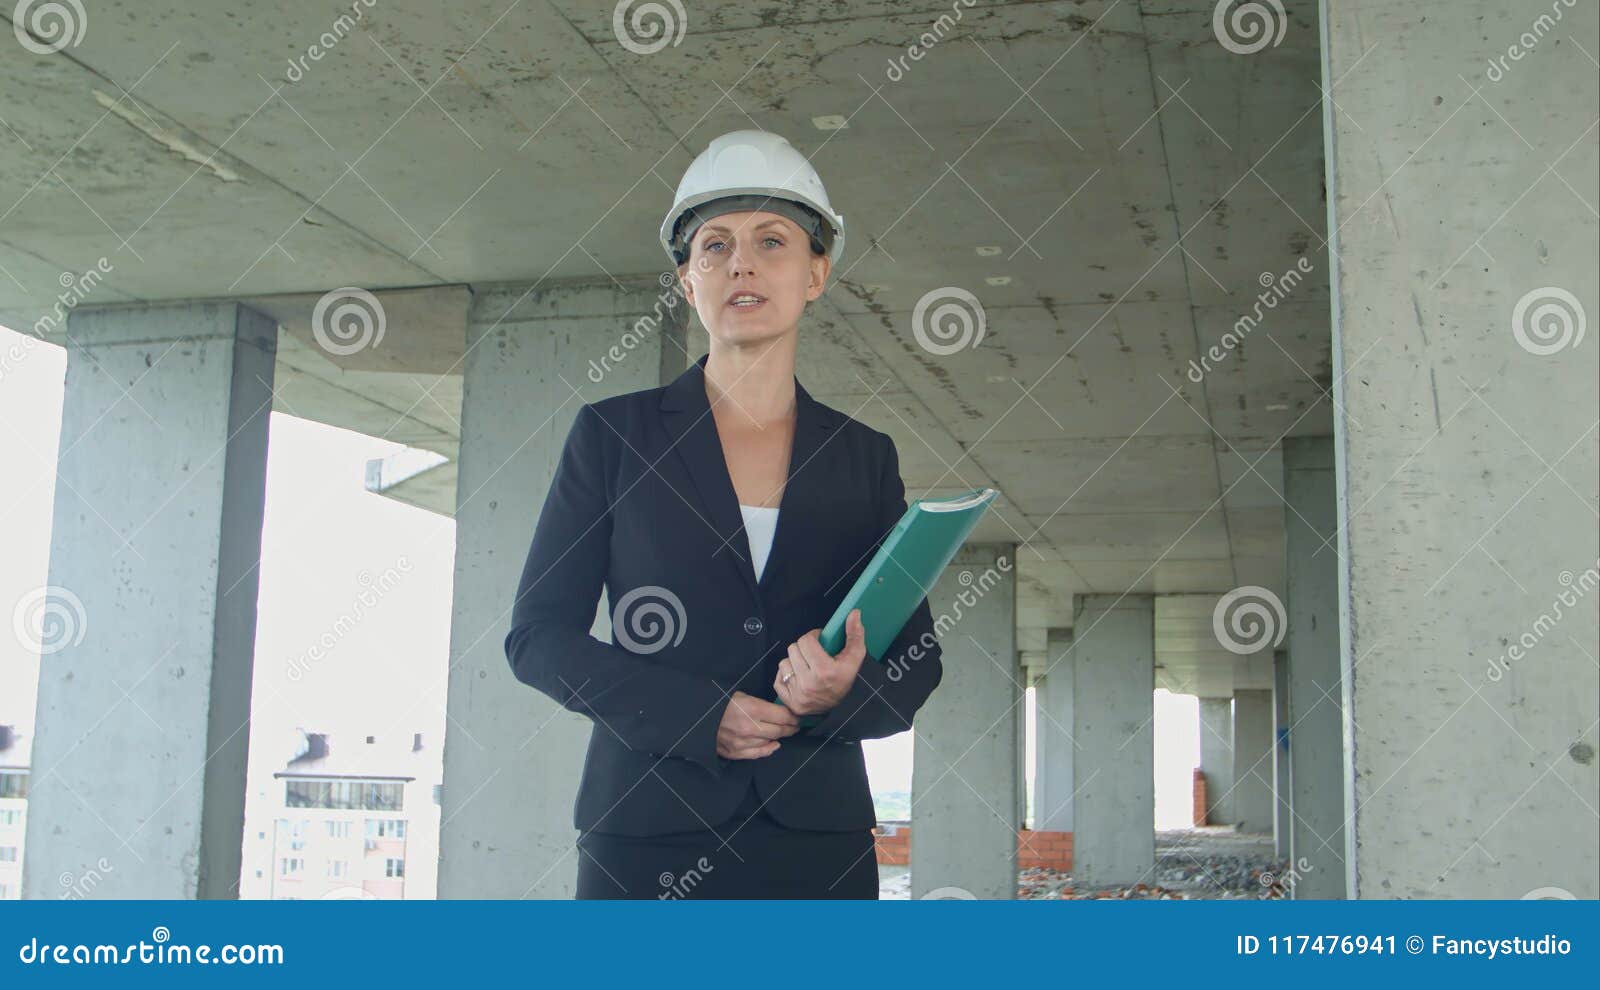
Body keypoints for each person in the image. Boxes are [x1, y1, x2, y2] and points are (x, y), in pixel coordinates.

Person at [503, 129, 944, 899]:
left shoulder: (862, 456)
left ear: (815, 273)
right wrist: (694, 716)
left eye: (771, 241)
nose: (741, 263)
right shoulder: (614, 436)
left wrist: (842, 693)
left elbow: (918, 659)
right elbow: (538, 638)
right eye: (715, 246)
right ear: (687, 282)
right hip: (646, 835)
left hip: (818, 845)